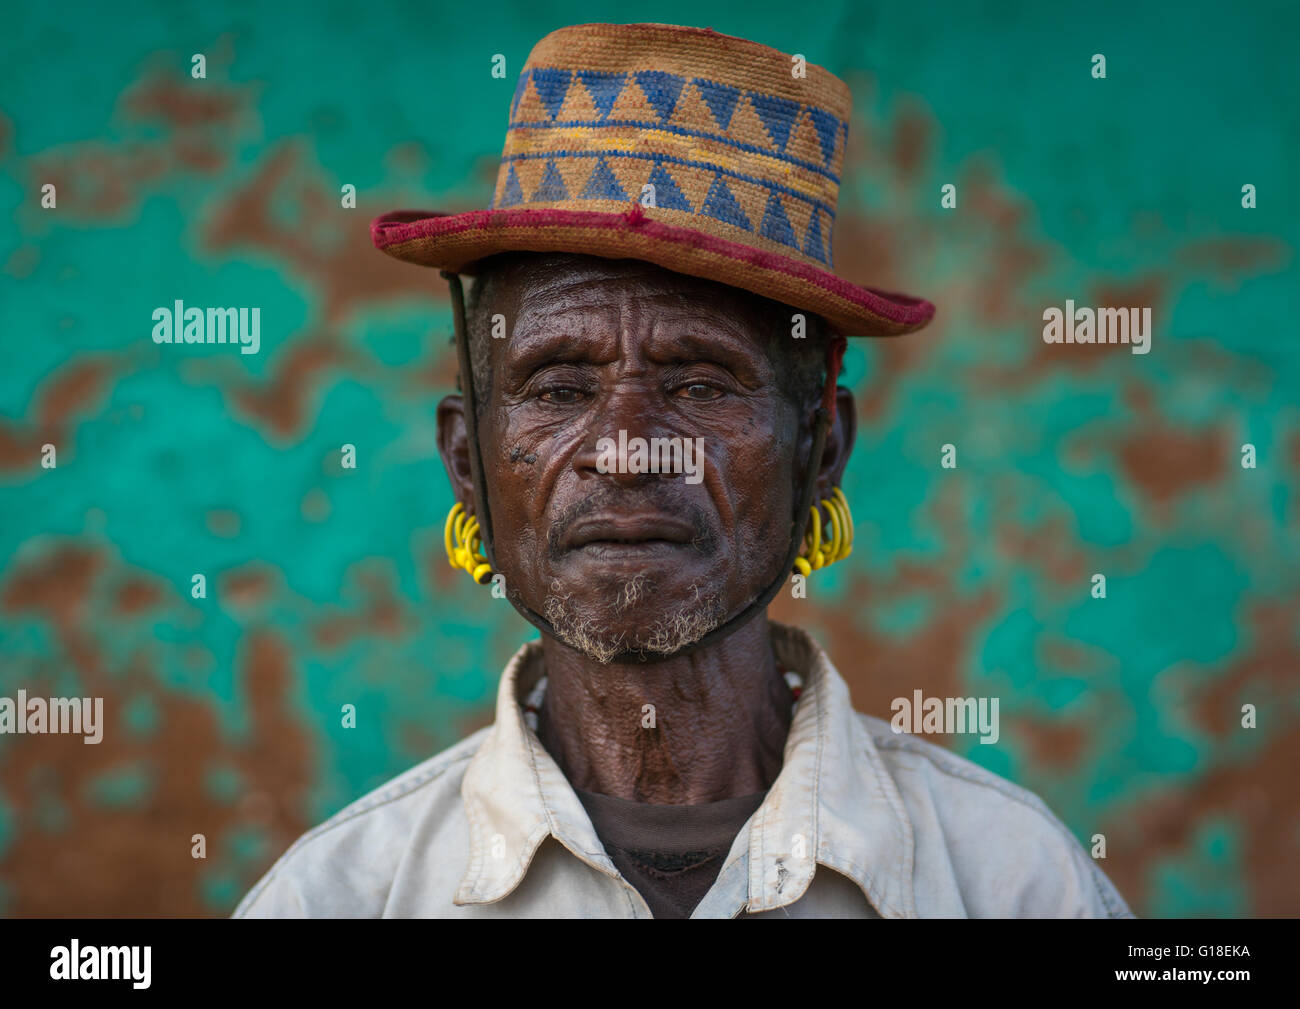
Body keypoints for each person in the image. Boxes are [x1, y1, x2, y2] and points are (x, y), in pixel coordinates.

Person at [234, 22, 1132, 918]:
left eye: (703, 383)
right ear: (467, 461)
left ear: (821, 452)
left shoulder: (1013, 881)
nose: (626, 447)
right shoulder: (345, 894)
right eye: (558, 387)